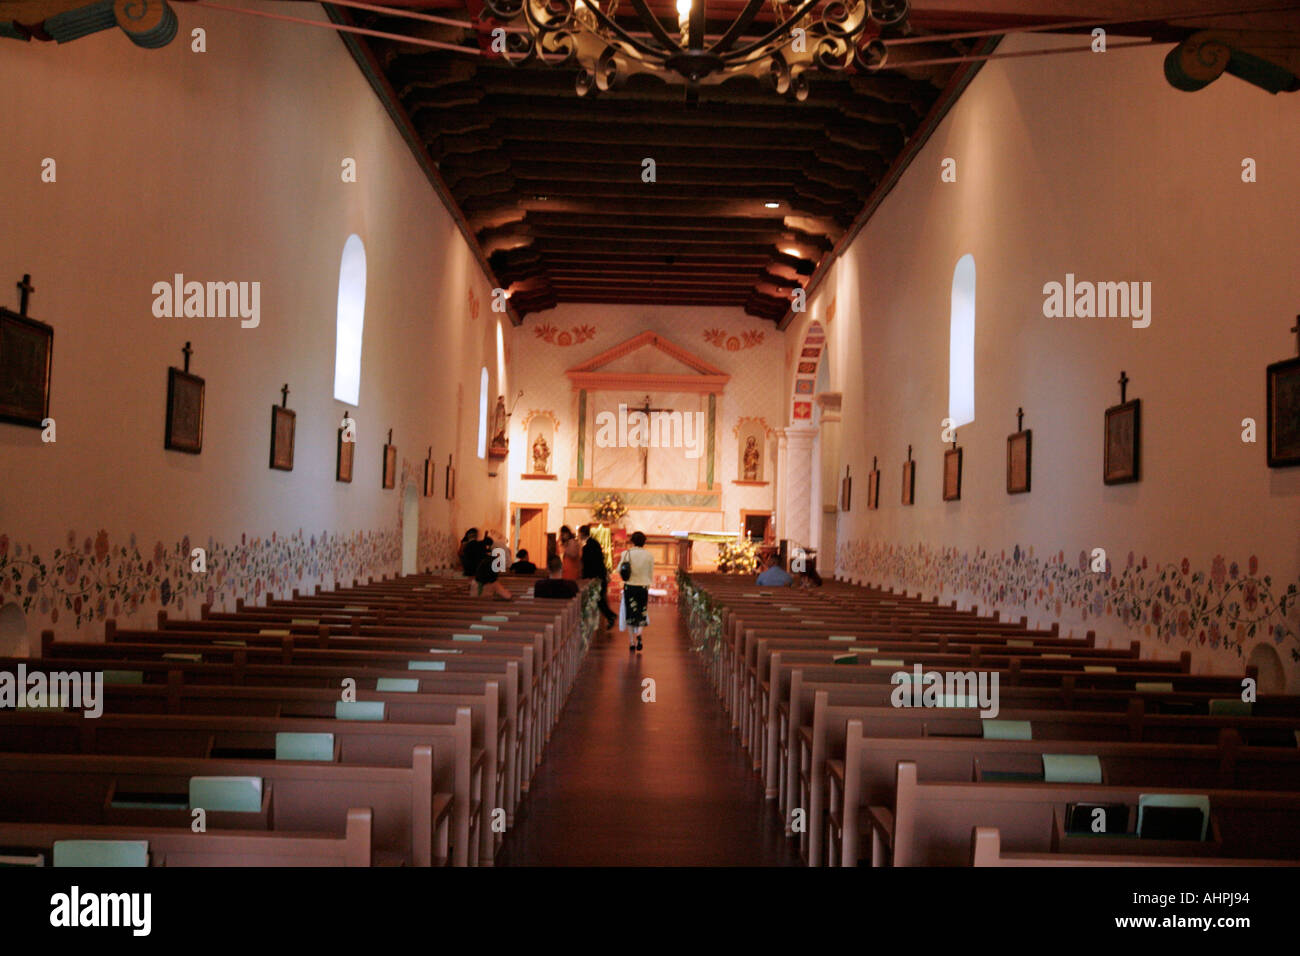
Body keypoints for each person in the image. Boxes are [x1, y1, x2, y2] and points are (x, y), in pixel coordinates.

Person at [617, 531, 655, 651]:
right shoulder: (649, 556)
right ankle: (639, 633)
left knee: (630, 613)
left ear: (632, 541)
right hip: (643, 587)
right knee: (641, 612)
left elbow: (619, 569)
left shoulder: (626, 553)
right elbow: (650, 573)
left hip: (630, 586)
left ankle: (632, 642)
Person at [579, 524, 617, 627]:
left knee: (599, 599)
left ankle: (610, 616)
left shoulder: (588, 547)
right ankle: (610, 616)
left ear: (582, 534)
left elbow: (587, 564)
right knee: (600, 599)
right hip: (600, 574)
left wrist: (584, 576)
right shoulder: (594, 543)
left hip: (596, 576)